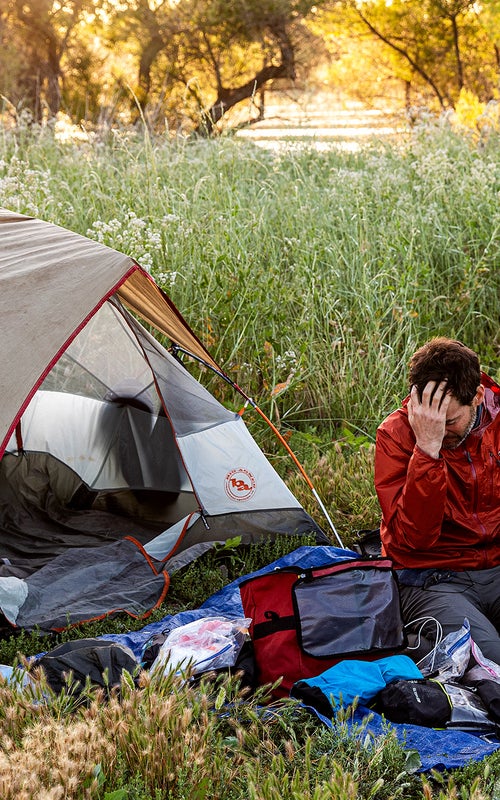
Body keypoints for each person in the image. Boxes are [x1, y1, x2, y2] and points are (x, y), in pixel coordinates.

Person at [375, 337, 500, 664]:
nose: (439, 431)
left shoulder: (497, 423)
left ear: (476, 396)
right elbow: (414, 539)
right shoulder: (396, 435)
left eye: (448, 422)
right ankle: (415, 641)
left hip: (495, 565)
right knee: (492, 658)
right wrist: (426, 451)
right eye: (430, 420)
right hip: (431, 576)